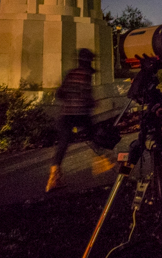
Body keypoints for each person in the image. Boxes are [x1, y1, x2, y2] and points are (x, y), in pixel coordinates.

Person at [46, 49, 114, 192]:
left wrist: (70, 100)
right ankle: (103, 161)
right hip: (80, 113)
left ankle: (53, 177)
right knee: (93, 133)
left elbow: (60, 93)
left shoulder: (71, 73)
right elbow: (86, 95)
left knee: (63, 144)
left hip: (65, 114)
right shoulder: (86, 75)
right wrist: (92, 102)